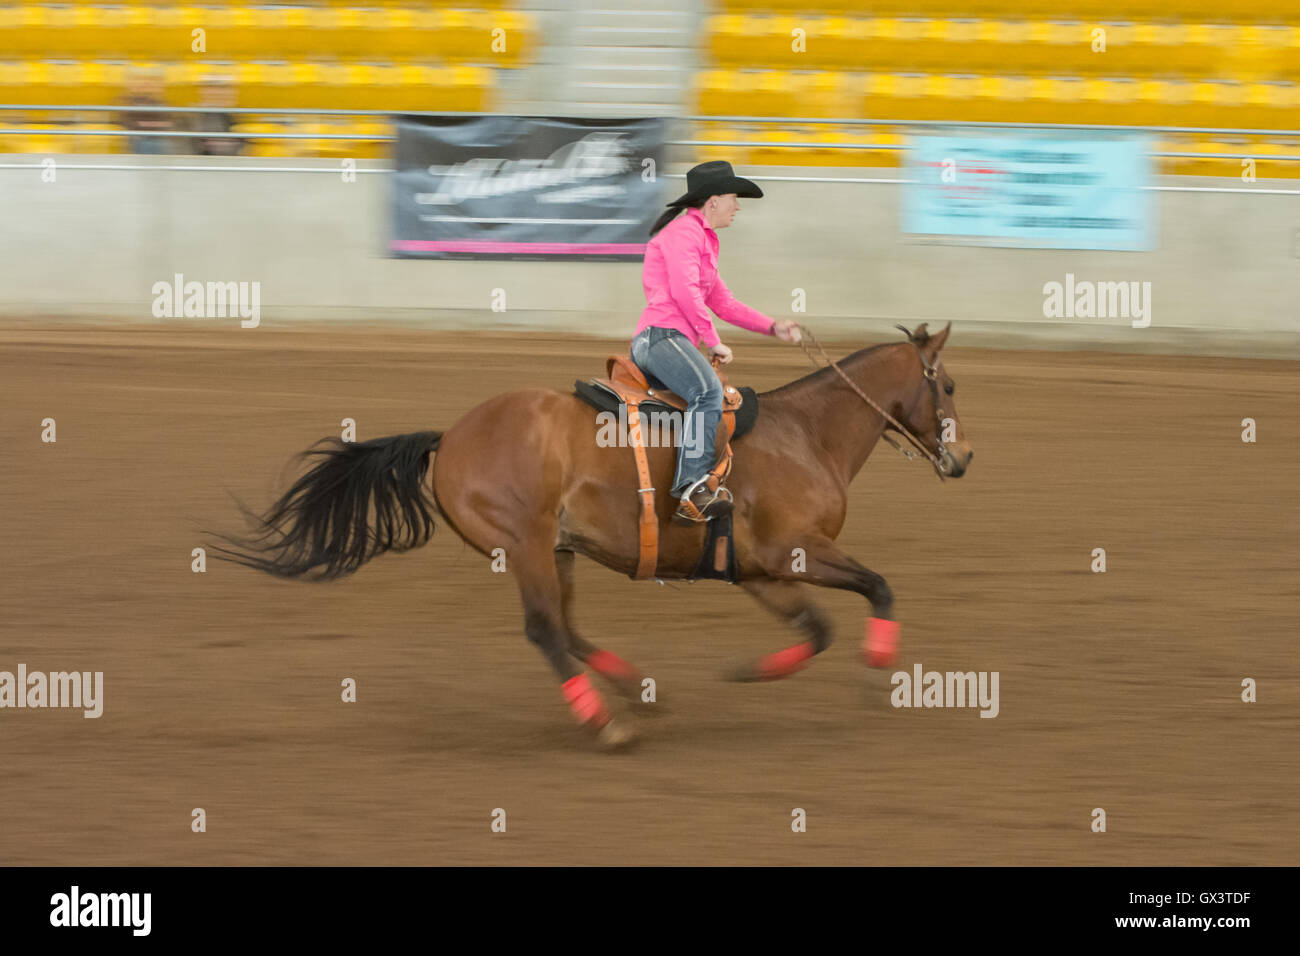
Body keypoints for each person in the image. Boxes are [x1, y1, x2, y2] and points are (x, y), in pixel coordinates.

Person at [630, 160, 802, 524]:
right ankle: (691, 489)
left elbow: (723, 302)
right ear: (713, 202)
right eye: (733, 198)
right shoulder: (684, 235)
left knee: (704, 398)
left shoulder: (703, 239)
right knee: (707, 392)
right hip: (660, 337)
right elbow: (684, 292)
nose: (737, 206)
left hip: (670, 340)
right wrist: (712, 340)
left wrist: (773, 327)